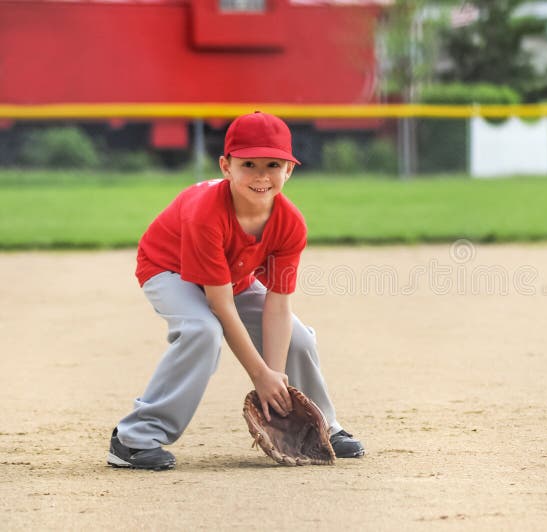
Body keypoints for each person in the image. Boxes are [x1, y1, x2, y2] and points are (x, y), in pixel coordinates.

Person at [107, 111, 364, 470]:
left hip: (231, 278)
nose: (261, 175)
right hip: (170, 269)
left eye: (273, 164)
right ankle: (134, 439)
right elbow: (220, 305)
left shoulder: (290, 224)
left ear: (289, 170)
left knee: (299, 338)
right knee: (202, 330)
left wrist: (276, 387)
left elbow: (278, 305)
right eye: (249, 164)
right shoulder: (206, 214)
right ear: (226, 166)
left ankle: (325, 427)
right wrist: (259, 376)